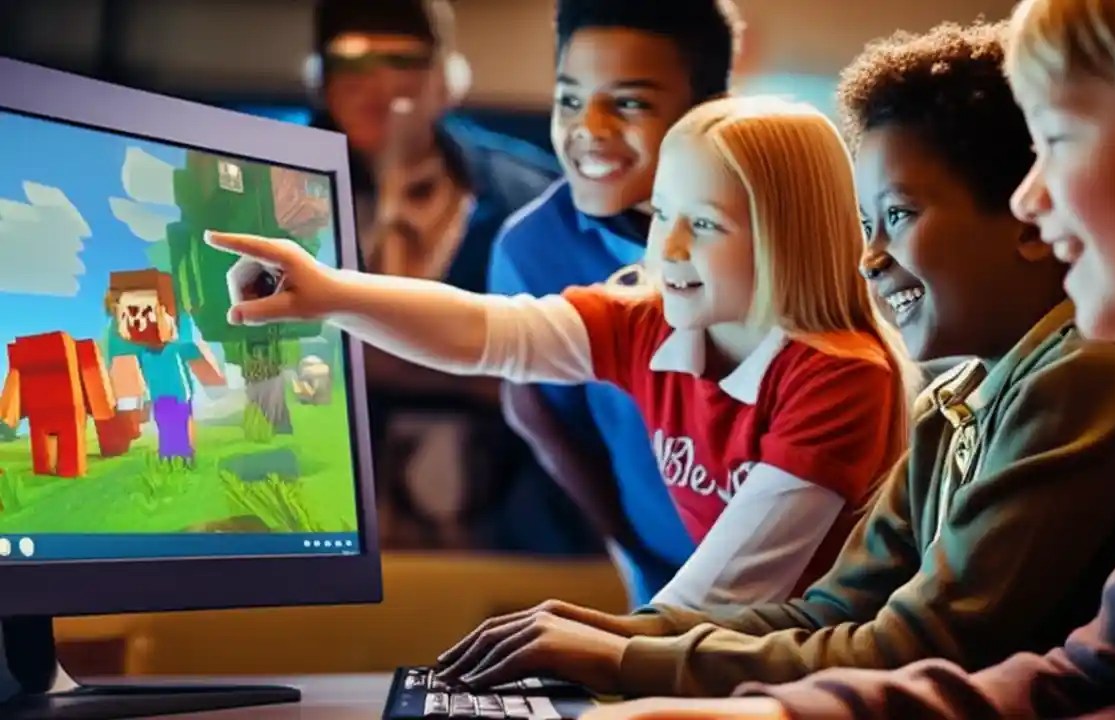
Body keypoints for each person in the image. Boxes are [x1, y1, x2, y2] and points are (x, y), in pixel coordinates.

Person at [433, 20, 1115, 698]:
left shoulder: (1082, 377)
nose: (870, 258)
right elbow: (831, 609)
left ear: (1028, 215)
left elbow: (920, 644)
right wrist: (611, 633)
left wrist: (625, 660)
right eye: (865, 223)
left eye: (898, 215)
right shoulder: (956, 396)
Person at [597, 0, 1115, 716]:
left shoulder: (1107, 378)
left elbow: (934, 642)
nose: (1032, 199)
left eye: (1058, 140)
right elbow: (1083, 677)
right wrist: (750, 704)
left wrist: (633, 660)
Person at [209, 93, 912, 623]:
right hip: (727, 657)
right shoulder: (652, 323)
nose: (666, 250)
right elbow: (486, 332)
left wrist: (588, 645)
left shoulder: (840, 378)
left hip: (821, 680)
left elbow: (730, 595)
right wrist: (330, 294)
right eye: (661, 215)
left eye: (703, 224)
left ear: (787, 237)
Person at [309, 0, 598, 553]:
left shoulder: (530, 199)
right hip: (327, 532)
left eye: (403, 60)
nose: (377, 84)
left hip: (501, 533)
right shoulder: (270, 190)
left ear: (445, 78)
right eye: (350, 61)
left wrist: (398, 362)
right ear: (322, 80)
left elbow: (580, 375)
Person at [487, 0, 746, 608]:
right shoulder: (534, 250)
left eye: (628, 103)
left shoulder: (773, 224)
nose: (590, 128)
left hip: (821, 584)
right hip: (669, 581)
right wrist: (639, 554)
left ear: (708, 110)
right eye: (570, 100)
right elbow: (540, 416)